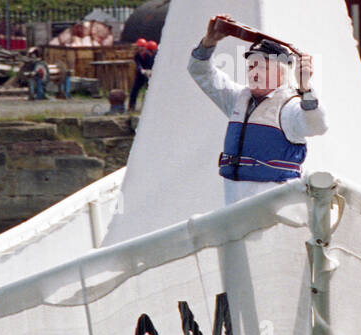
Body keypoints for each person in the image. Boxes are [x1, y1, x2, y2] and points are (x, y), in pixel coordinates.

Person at [188, 14, 327, 205]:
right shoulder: (238, 99)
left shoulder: (291, 106)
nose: (254, 72)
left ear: (281, 72)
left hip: (275, 206)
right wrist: (208, 42)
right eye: (251, 66)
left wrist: (305, 87)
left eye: (262, 67)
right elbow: (200, 72)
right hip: (234, 200)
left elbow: (317, 126)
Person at [130, 38, 155, 111]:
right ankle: (131, 107)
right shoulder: (137, 55)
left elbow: (151, 64)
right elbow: (138, 64)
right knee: (134, 90)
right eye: (139, 47)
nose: (140, 48)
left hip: (149, 75)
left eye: (142, 47)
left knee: (149, 91)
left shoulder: (149, 55)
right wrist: (141, 70)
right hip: (141, 75)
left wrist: (150, 71)